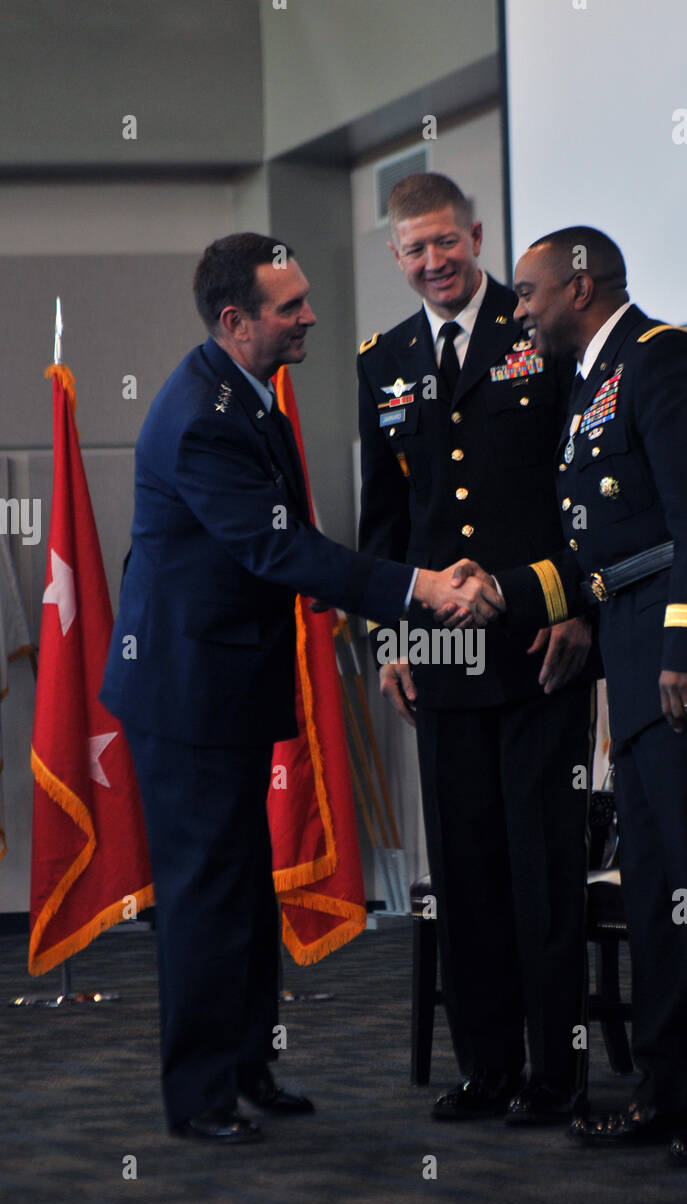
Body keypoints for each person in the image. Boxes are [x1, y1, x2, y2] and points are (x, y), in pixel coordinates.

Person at [100, 232, 502, 1145]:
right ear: (236, 321)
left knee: (240, 889)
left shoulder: (244, 392)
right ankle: (200, 1096)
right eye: (291, 307)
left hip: (222, 682)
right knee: (207, 892)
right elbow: (280, 549)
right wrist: (421, 587)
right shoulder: (204, 415)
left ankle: (245, 1068)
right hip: (187, 692)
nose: (310, 316)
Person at [463, 225, 687, 1162]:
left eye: (531, 295)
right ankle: (674, 1088)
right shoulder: (593, 381)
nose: (520, 312)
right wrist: (502, 592)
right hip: (634, 648)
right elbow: (601, 554)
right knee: (664, 891)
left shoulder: (669, 363)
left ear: (579, 286)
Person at [357, 175, 596, 1126]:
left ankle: (555, 1073)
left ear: (476, 235)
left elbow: (586, 484)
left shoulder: (538, 328)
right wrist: (390, 636)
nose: (432, 263)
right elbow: (387, 523)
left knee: (541, 866)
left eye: (445, 243)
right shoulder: (386, 359)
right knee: (464, 867)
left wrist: (578, 606)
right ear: (395, 256)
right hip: (436, 651)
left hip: (540, 641)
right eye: (413, 250)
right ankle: (487, 1066)